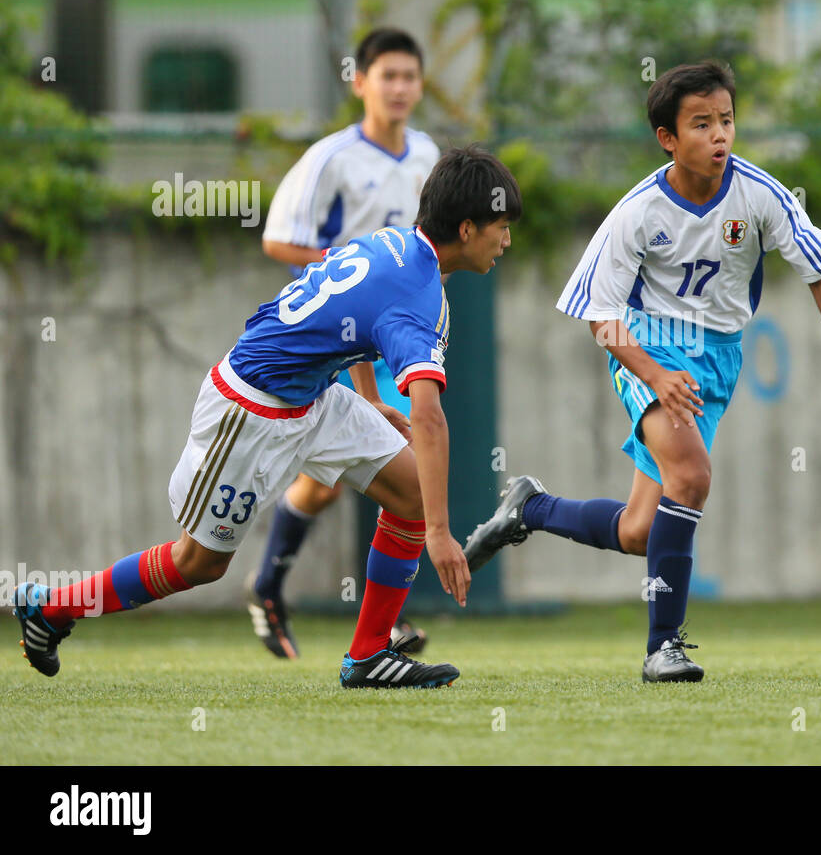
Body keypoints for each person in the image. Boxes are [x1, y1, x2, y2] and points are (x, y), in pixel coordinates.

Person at [14, 146, 519, 689]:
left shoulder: (396, 242)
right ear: (467, 229)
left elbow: (350, 326)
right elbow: (429, 418)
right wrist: (440, 536)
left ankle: (369, 656)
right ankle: (52, 607)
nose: (507, 240)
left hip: (317, 395)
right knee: (198, 564)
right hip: (252, 408)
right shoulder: (420, 295)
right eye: (501, 226)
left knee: (410, 492)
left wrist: (368, 403)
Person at [464, 61, 821, 682]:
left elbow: (818, 267)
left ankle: (530, 510)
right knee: (693, 476)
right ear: (667, 138)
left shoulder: (761, 195)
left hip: (719, 357)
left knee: (639, 529)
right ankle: (663, 647)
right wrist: (654, 374)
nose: (719, 135)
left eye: (726, 120)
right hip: (646, 346)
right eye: (700, 124)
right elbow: (600, 318)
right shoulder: (636, 212)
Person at [252, 27, 440, 659]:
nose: (399, 88)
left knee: (393, 464)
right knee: (353, 474)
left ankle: (369, 619)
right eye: (386, 75)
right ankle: (276, 589)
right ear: (360, 82)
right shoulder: (332, 159)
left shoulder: (427, 157)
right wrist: (353, 267)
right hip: (338, 336)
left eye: (409, 76)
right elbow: (279, 240)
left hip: (399, 337)